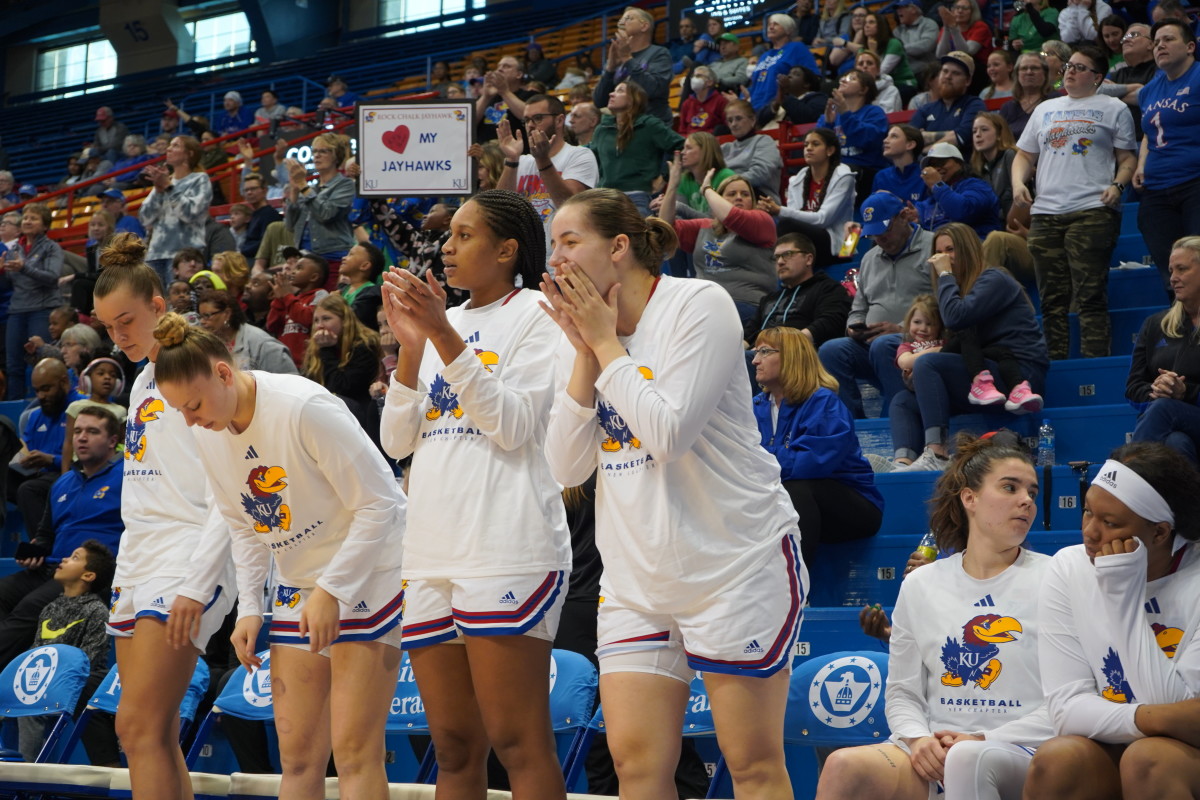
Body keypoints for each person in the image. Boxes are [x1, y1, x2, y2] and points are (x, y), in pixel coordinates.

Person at [541, 188, 807, 800]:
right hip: (638, 581)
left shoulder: (698, 303)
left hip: (733, 563)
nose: (556, 258)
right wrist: (584, 351)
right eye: (553, 244)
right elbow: (565, 465)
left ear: (620, 247)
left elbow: (665, 434)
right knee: (636, 768)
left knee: (752, 764)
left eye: (570, 241)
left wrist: (605, 345)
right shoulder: (575, 336)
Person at [151, 310, 405, 800]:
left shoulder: (303, 406)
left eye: (194, 404)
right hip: (298, 581)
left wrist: (332, 590)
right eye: (179, 410)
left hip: (368, 570)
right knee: (298, 758)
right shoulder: (208, 429)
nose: (189, 419)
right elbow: (244, 525)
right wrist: (250, 607)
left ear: (224, 373)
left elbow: (382, 504)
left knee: (353, 753)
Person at [378, 190, 571, 798]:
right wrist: (413, 347)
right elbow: (396, 439)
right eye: (448, 235)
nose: (447, 246)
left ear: (507, 249)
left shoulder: (541, 315)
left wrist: (441, 337)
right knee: (454, 747)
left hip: (506, 543)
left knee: (519, 743)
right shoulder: (447, 323)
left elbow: (513, 427)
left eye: (463, 236)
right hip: (433, 551)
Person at [816, 433, 1052, 800]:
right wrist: (917, 738)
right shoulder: (921, 584)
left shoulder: (1056, 579)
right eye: (1010, 488)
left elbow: (1067, 701)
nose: (1026, 501)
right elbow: (902, 691)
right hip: (935, 750)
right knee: (844, 767)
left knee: (969, 758)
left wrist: (983, 738)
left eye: (1032, 493)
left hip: (1020, 747)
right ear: (970, 498)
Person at [90, 234, 235, 800]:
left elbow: (234, 484)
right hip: (140, 556)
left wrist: (200, 582)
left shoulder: (198, 362)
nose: (119, 335)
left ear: (159, 306)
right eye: (108, 327)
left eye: (127, 320)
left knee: (138, 726)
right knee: (149, 733)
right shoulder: (145, 377)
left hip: (189, 553)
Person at [1024, 442, 1200, 800]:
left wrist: (1123, 598)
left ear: (1160, 532)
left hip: (1178, 755)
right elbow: (1066, 709)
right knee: (1057, 760)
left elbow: (1177, 727)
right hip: (1117, 740)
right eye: (1088, 512)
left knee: (1148, 758)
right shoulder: (1069, 566)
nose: (1089, 531)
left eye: (1110, 522)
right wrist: (1159, 716)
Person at [886, 223, 1048, 471]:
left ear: (969, 249)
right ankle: (903, 461)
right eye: (939, 252)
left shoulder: (995, 278)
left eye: (950, 250)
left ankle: (937, 454)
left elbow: (955, 318)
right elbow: (958, 343)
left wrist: (944, 276)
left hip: (1017, 374)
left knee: (927, 363)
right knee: (902, 400)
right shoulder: (958, 290)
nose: (943, 258)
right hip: (982, 373)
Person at [1013, 44, 1137, 360]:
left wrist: (1118, 186)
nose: (1070, 70)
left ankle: (1095, 362)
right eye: (1069, 65)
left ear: (1097, 77)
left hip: (1092, 211)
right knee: (1051, 299)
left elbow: (1127, 158)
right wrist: (1017, 183)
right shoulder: (1044, 109)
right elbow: (1024, 155)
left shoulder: (1113, 108)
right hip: (1045, 213)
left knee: (1090, 294)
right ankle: (1054, 362)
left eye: (1080, 67)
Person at [0, 405, 123, 669]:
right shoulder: (63, 482)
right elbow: (45, 535)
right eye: (77, 431)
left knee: (27, 610)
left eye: (92, 431)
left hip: (92, 575)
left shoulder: (127, 477)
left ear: (113, 440)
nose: (81, 437)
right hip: (53, 568)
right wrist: (36, 551)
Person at [752, 326, 883, 567]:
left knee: (796, 488)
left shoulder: (823, 402)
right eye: (755, 352)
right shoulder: (755, 407)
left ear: (791, 357)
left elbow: (808, 465)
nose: (755, 360)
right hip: (785, 503)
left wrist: (758, 459)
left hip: (850, 509)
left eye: (764, 352)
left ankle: (798, 589)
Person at [818, 191, 933, 419]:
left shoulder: (933, 246)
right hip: (872, 343)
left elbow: (940, 302)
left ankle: (901, 418)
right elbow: (859, 306)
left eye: (885, 231)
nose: (880, 239)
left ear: (903, 217)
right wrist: (855, 326)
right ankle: (850, 424)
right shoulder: (871, 257)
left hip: (919, 342)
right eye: (873, 235)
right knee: (831, 350)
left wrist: (902, 329)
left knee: (883, 345)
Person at [17, 539, 117, 764]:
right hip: (44, 680)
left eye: (74, 557)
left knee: (29, 708)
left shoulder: (96, 610)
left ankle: (30, 775)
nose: (63, 559)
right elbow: (36, 652)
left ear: (88, 576)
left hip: (76, 684)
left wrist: (49, 680)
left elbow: (90, 659)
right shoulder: (50, 608)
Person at [658, 164, 777, 323]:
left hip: (745, 306)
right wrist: (672, 186)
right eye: (732, 194)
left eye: (745, 194)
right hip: (702, 304)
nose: (739, 197)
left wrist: (707, 189)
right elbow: (665, 229)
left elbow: (733, 217)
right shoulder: (705, 226)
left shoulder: (762, 222)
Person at [1135, 19, 1200, 294]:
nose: (1160, 45)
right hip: (1157, 191)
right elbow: (1150, 132)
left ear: (1189, 47)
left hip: (1195, 182)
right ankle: (1183, 334)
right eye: (1157, 41)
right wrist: (1141, 164)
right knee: (1171, 275)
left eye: (1168, 39)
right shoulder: (1150, 90)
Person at [495, 95, 599, 248]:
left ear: (559, 120)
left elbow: (570, 204)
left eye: (537, 118)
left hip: (564, 252)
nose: (530, 125)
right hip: (526, 255)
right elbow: (500, 210)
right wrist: (511, 159)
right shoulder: (521, 161)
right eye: (527, 120)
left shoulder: (579, 155)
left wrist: (542, 160)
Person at [760, 129, 857, 269]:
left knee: (786, 225)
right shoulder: (798, 179)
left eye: (815, 144)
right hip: (806, 241)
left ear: (830, 150)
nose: (809, 148)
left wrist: (779, 210)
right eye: (806, 145)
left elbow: (823, 219)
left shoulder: (843, 175)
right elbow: (793, 217)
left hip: (839, 246)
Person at [590, 80, 684, 217]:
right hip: (604, 198)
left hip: (637, 197)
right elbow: (593, 162)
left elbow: (681, 146)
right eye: (613, 90)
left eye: (620, 91)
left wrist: (664, 176)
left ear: (634, 99)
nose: (611, 94)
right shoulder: (602, 129)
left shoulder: (649, 125)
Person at [744, 233, 852, 347]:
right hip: (758, 355)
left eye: (787, 254)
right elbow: (748, 335)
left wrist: (780, 346)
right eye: (776, 257)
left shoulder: (828, 288)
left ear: (808, 259)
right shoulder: (768, 299)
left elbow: (830, 323)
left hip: (798, 353)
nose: (780, 262)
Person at [1, 203, 64, 400]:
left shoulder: (52, 248)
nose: (28, 221)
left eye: (33, 218)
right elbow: (8, 285)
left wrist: (24, 267)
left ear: (45, 225)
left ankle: (42, 403)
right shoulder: (14, 250)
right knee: (13, 366)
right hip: (17, 310)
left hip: (42, 309)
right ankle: (13, 408)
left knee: (41, 361)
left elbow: (53, 277)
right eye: (26, 218)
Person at [6, 358, 69, 540]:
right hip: (36, 474)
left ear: (64, 382)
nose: (40, 396)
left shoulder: (80, 408)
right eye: (37, 391)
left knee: (29, 490)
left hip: (66, 473)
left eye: (46, 389)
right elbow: (26, 448)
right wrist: (22, 458)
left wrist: (51, 459)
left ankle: (42, 547)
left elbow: (85, 455)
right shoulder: (34, 416)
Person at [138, 135, 212, 291]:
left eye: (175, 146)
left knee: (180, 306)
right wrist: (158, 190)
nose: (168, 149)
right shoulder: (165, 181)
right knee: (154, 307)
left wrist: (168, 187)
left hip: (185, 256)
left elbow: (189, 213)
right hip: (156, 254)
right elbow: (145, 218)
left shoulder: (200, 179)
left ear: (189, 154)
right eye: (169, 145)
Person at [283, 132, 354, 289]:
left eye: (323, 151)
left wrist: (302, 185)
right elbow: (289, 225)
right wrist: (294, 191)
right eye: (314, 151)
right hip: (306, 258)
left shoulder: (345, 185)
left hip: (333, 258)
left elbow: (326, 214)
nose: (316, 156)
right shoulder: (311, 188)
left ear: (336, 156)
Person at [594, 7, 674, 124]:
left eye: (628, 18)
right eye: (621, 19)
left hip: (651, 125)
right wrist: (610, 69)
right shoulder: (618, 58)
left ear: (644, 26)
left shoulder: (659, 53)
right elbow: (599, 101)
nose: (621, 23)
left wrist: (627, 59)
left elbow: (652, 90)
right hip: (624, 127)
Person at [301, 293, 381, 410]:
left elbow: (342, 389)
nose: (319, 326)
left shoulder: (366, 345)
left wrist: (327, 350)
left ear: (344, 320)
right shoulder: (315, 348)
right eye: (316, 320)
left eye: (326, 319)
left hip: (358, 410)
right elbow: (308, 385)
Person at [820, 69, 889, 201]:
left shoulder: (874, 113)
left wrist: (846, 114)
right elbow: (821, 148)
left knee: (845, 171)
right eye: (844, 77)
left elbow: (867, 140)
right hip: (837, 170)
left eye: (852, 79)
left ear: (863, 90)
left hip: (864, 171)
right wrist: (827, 125)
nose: (843, 80)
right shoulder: (831, 115)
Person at [196, 289, 297, 375]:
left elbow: (292, 383)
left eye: (207, 316)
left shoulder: (264, 344)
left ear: (227, 314)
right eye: (201, 316)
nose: (202, 321)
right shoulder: (208, 344)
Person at [914, 142, 1002, 237]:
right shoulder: (930, 201)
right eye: (932, 166)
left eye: (941, 162)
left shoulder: (978, 186)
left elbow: (962, 212)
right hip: (940, 249)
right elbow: (920, 214)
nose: (936, 169)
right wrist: (915, 219)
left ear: (959, 163)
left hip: (976, 246)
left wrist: (937, 184)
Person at [267, 252, 331, 368]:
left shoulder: (321, 294)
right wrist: (279, 299)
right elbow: (272, 325)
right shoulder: (292, 298)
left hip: (306, 363)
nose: (292, 272)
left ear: (314, 277)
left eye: (299, 268)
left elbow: (308, 318)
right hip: (284, 362)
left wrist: (286, 295)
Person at [61, 357, 126, 468]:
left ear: (118, 383)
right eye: (101, 373)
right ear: (88, 379)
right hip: (79, 467)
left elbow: (121, 443)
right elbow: (69, 442)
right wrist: (65, 472)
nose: (107, 378)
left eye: (113, 375)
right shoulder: (76, 407)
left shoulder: (121, 411)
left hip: (110, 467)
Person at [913, 52, 987, 151]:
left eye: (956, 73)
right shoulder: (925, 109)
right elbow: (911, 138)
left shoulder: (974, 105)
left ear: (968, 81)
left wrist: (926, 141)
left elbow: (961, 136)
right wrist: (951, 134)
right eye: (945, 71)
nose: (948, 76)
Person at [749, 14, 819, 113]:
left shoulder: (797, 48)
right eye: (769, 24)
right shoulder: (764, 55)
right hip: (755, 109)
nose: (771, 27)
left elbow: (813, 77)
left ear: (788, 30)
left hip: (779, 107)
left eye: (776, 24)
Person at [721, 99, 785, 203]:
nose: (733, 124)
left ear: (753, 120)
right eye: (730, 120)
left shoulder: (764, 141)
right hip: (727, 197)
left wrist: (728, 184)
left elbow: (760, 173)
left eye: (738, 119)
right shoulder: (725, 148)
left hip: (761, 199)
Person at [476, 55, 536, 143]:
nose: (499, 69)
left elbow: (529, 117)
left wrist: (504, 92)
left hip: (518, 152)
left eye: (506, 66)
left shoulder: (530, 96)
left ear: (519, 74)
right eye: (498, 66)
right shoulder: (488, 97)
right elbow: (467, 124)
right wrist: (485, 97)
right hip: (485, 153)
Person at [970, 113, 1019, 220]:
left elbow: (1015, 194)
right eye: (974, 131)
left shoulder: (1010, 155)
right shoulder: (979, 167)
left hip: (1011, 221)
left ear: (999, 134)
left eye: (984, 129)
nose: (978, 135)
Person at [672, 132, 734, 214]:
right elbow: (678, 217)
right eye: (684, 148)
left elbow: (714, 221)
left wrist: (680, 208)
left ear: (705, 151)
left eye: (689, 148)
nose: (683, 152)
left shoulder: (726, 177)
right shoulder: (684, 179)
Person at [935, 0, 995, 84]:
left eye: (965, 8)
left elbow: (966, 53)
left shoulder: (980, 27)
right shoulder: (945, 28)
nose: (960, 11)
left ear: (973, 12)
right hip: (954, 65)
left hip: (977, 69)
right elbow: (940, 54)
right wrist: (946, 27)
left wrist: (954, 29)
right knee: (935, 67)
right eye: (957, 8)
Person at [999, 52, 1056, 140]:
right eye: (1024, 68)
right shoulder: (1008, 108)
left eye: (1034, 68)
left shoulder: (1055, 100)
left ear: (1044, 73)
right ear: (1017, 74)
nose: (1029, 72)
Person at [873, 124, 927, 204]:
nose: (885, 140)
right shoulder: (881, 176)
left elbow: (932, 211)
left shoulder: (926, 175)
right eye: (887, 136)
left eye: (894, 136)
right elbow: (872, 211)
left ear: (910, 145)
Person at [238, 173, 281, 263]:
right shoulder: (254, 214)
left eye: (253, 189)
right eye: (246, 190)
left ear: (264, 190)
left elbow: (265, 245)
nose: (249, 192)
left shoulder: (270, 214)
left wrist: (242, 251)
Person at [894, 0, 940, 80]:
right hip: (905, 72)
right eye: (897, 8)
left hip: (926, 71)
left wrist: (901, 49)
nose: (898, 11)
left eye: (902, 7)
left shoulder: (929, 24)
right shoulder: (898, 30)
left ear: (914, 9)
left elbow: (925, 46)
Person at [678, 66, 727, 135]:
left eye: (698, 76)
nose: (694, 79)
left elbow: (726, 126)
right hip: (690, 141)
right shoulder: (687, 103)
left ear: (709, 82)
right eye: (693, 76)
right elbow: (682, 130)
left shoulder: (720, 101)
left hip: (710, 141)